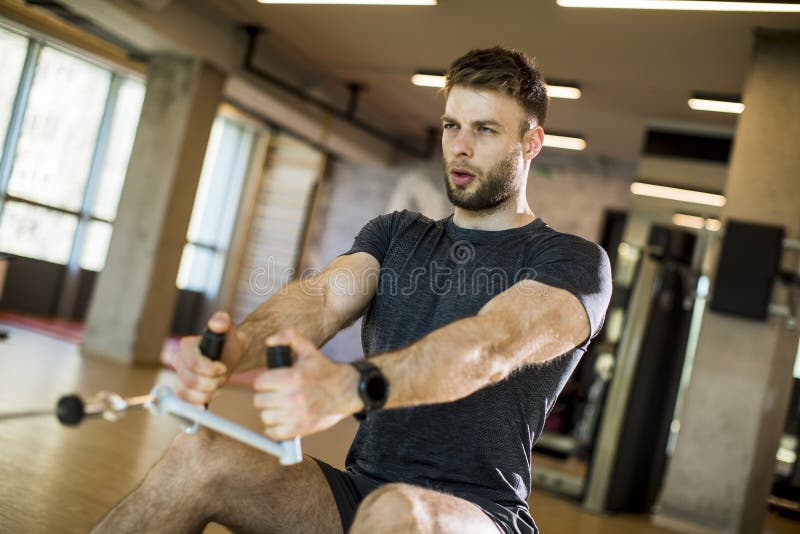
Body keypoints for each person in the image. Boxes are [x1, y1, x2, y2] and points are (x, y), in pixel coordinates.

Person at [93, 46, 612, 534]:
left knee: (395, 513)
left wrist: (350, 387)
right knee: (197, 458)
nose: (460, 145)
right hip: (359, 490)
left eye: (486, 129)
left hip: (480, 513)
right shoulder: (398, 234)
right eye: (452, 125)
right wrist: (237, 349)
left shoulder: (572, 262)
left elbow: (492, 345)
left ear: (530, 143)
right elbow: (321, 299)